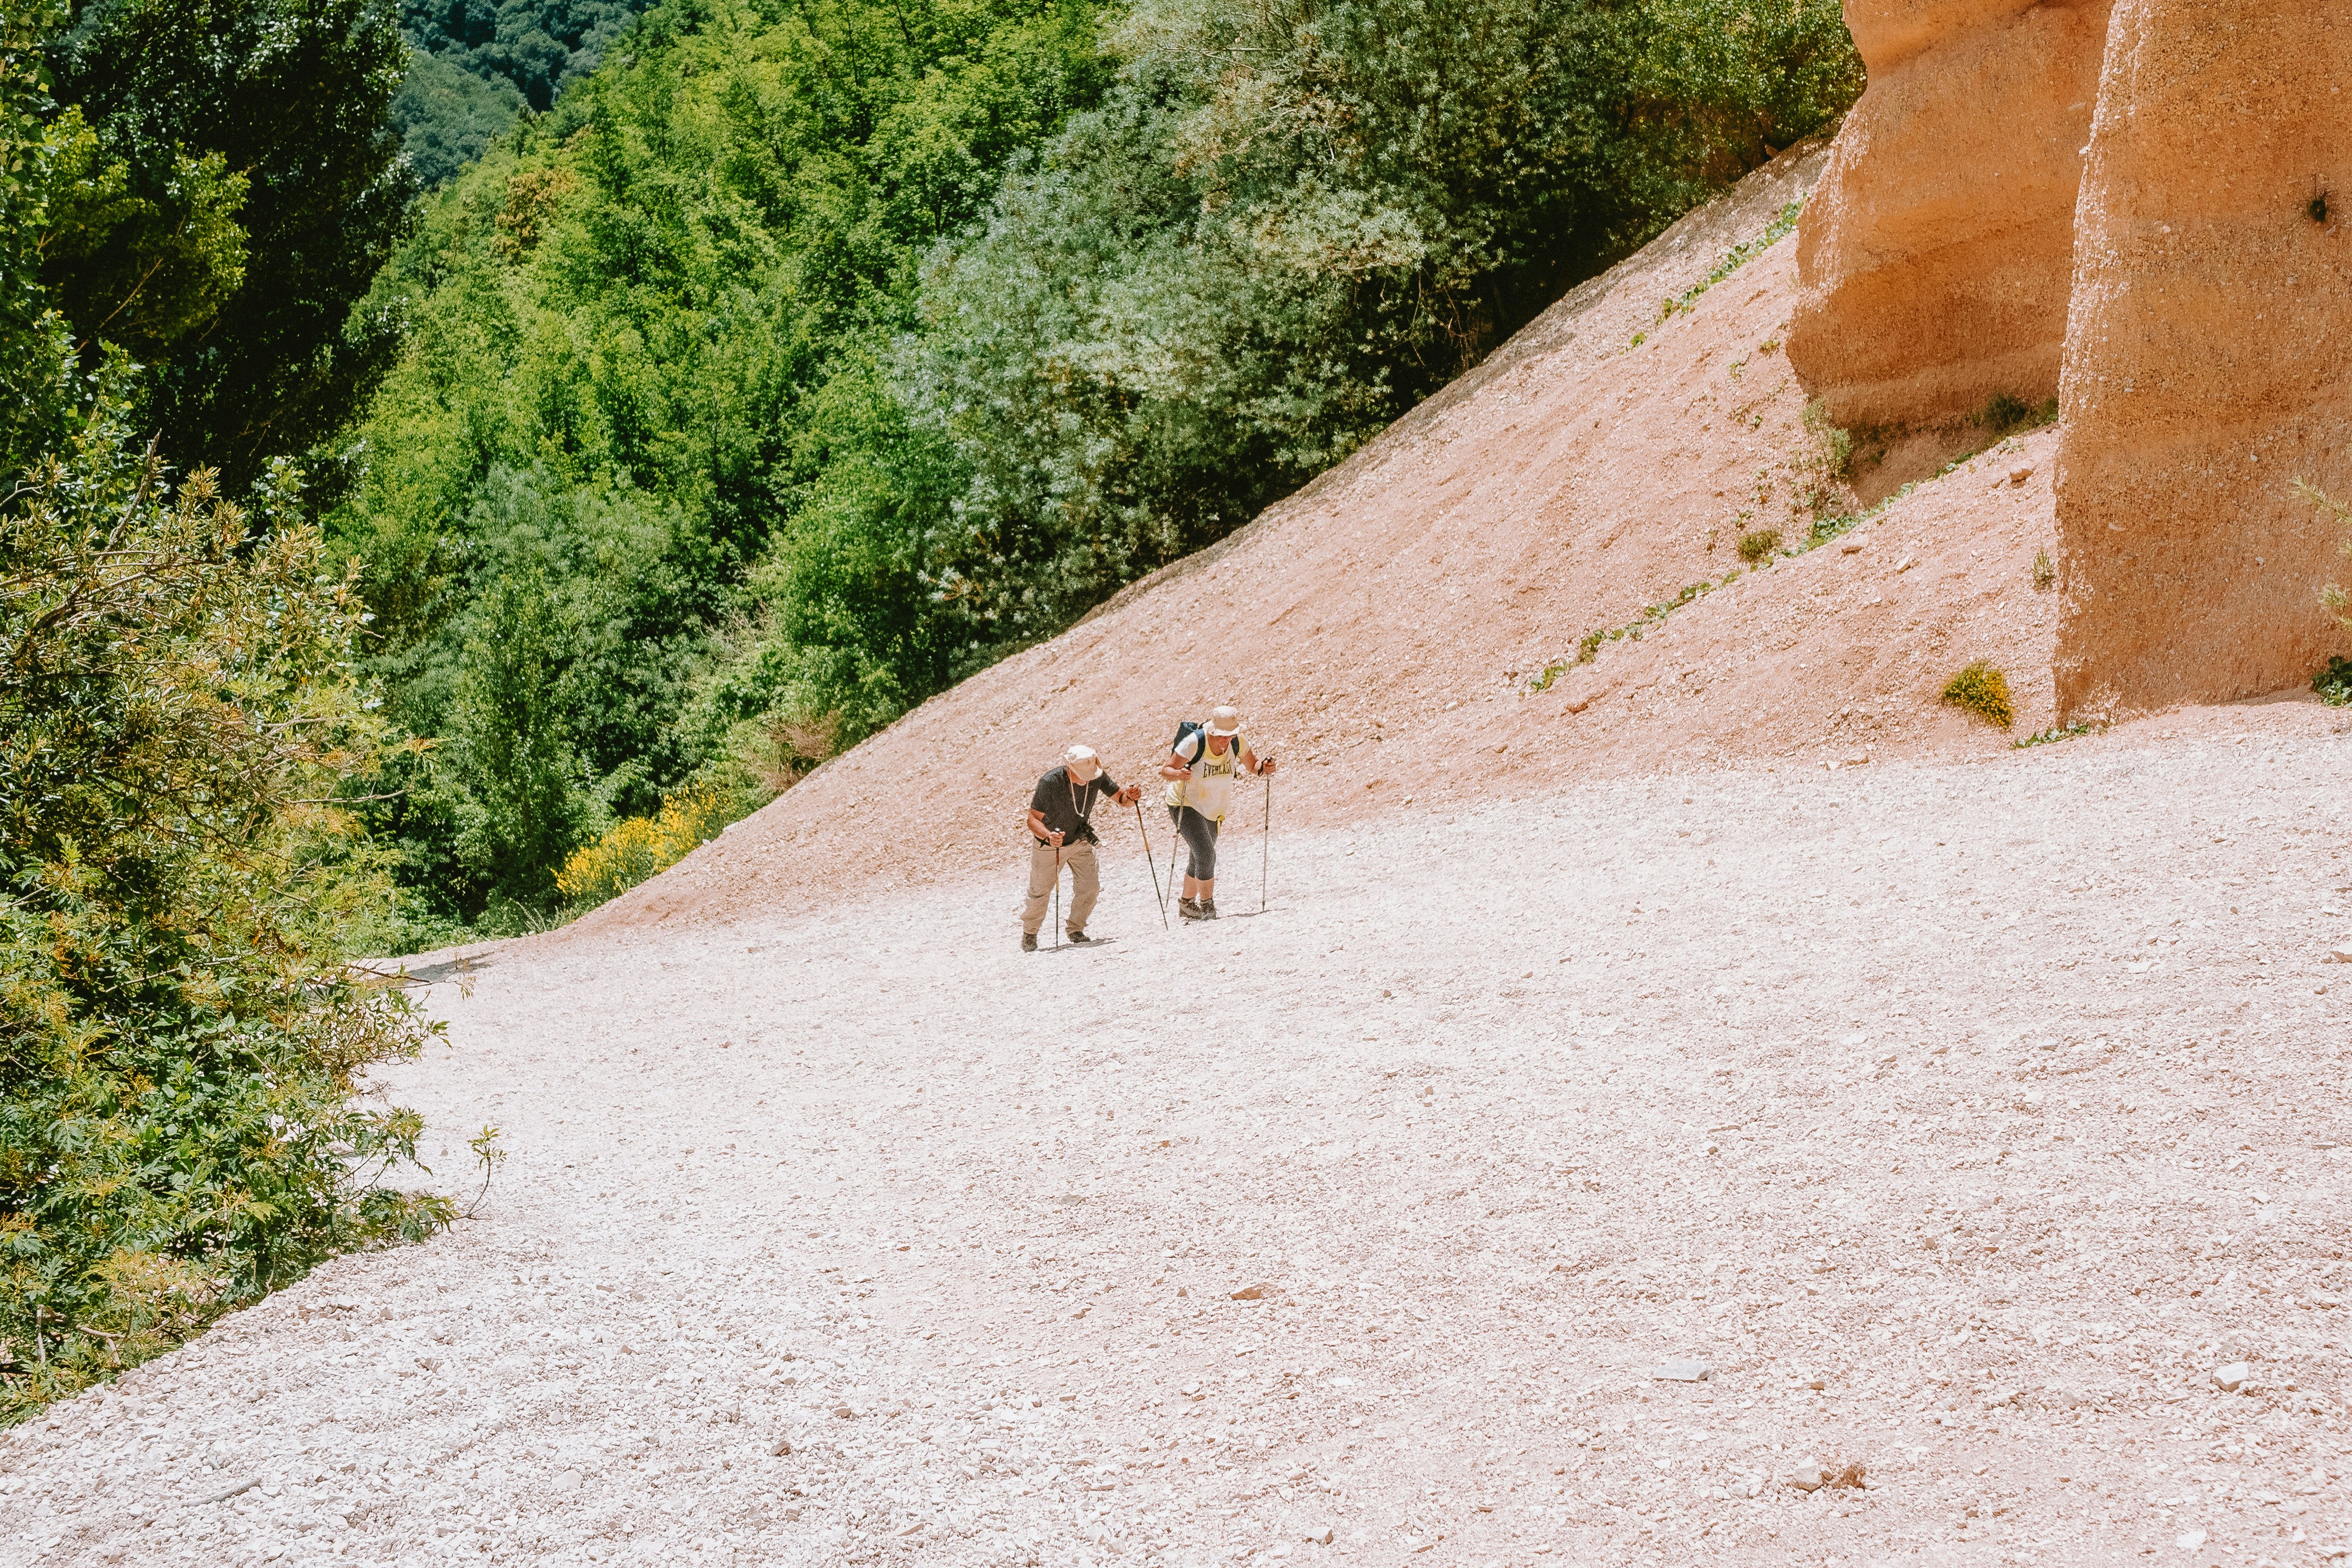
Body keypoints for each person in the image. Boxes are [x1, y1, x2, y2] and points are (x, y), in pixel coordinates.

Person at [1160, 705, 1275, 921]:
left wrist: (1264, 767)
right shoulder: (1195, 742)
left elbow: (1253, 766)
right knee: (1206, 853)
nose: (1226, 739)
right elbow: (1166, 770)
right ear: (1212, 730)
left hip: (1214, 808)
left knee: (1199, 855)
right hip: (1184, 804)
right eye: (1222, 735)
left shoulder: (1238, 741)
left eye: (1230, 735)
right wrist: (1179, 774)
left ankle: (1186, 904)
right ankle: (1207, 906)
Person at [1022, 745, 1141, 952]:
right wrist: (1049, 836)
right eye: (1080, 775)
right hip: (1049, 844)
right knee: (1040, 891)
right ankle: (1030, 933)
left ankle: (1076, 929)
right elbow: (1032, 819)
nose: (1086, 779)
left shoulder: (1096, 776)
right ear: (1069, 769)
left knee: (1090, 886)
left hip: (1079, 839)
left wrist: (1131, 797)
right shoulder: (1050, 782)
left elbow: (1121, 799)